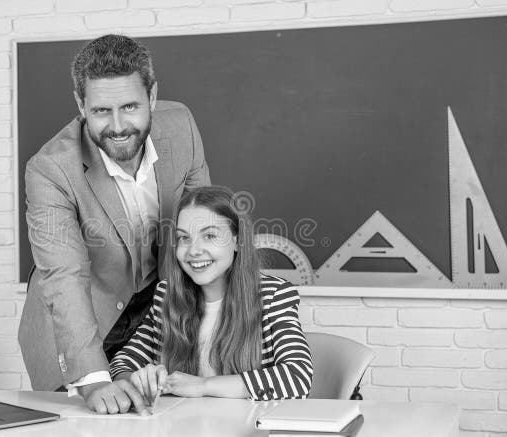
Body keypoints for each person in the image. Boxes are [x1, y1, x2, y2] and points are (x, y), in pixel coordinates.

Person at [18, 34, 210, 414]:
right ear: (80, 104)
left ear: (152, 97)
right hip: (81, 318)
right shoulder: (50, 169)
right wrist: (92, 378)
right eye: (102, 111)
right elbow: (64, 273)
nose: (118, 126)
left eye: (130, 107)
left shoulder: (181, 127)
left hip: (156, 312)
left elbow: (202, 226)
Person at [109, 186, 313, 405]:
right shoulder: (166, 296)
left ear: (236, 240)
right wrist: (138, 380)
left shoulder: (273, 296)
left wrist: (202, 386)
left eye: (209, 236)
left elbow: (298, 377)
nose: (194, 250)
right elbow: (121, 363)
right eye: (183, 238)